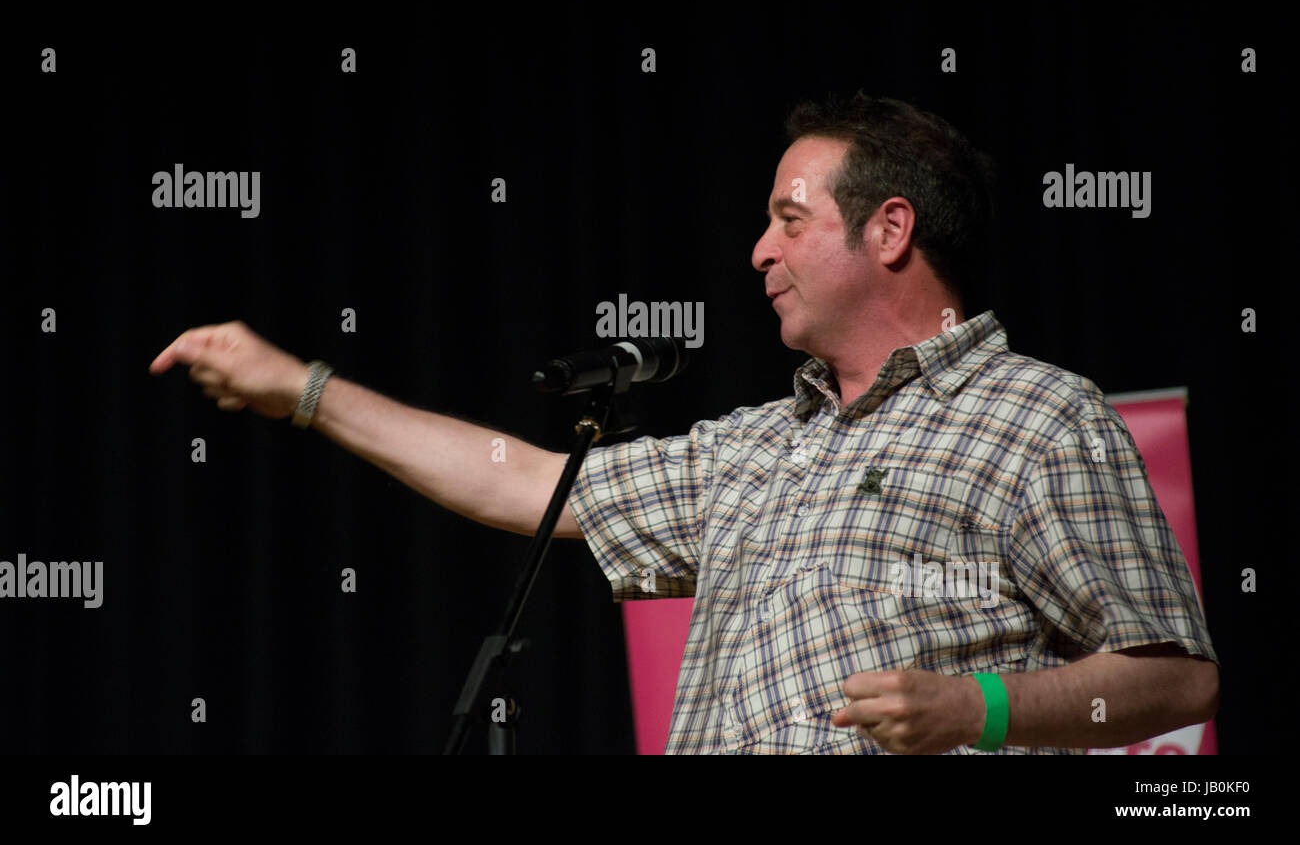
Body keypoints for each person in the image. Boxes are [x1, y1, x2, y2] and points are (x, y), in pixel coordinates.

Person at [149, 92, 1219, 755]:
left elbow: (1175, 678)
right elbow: (522, 482)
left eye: (787, 219)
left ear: (889, 229)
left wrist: (977, 711)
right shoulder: (756, 447)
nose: (757, 249)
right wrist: (304, 390)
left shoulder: (1036, 416)